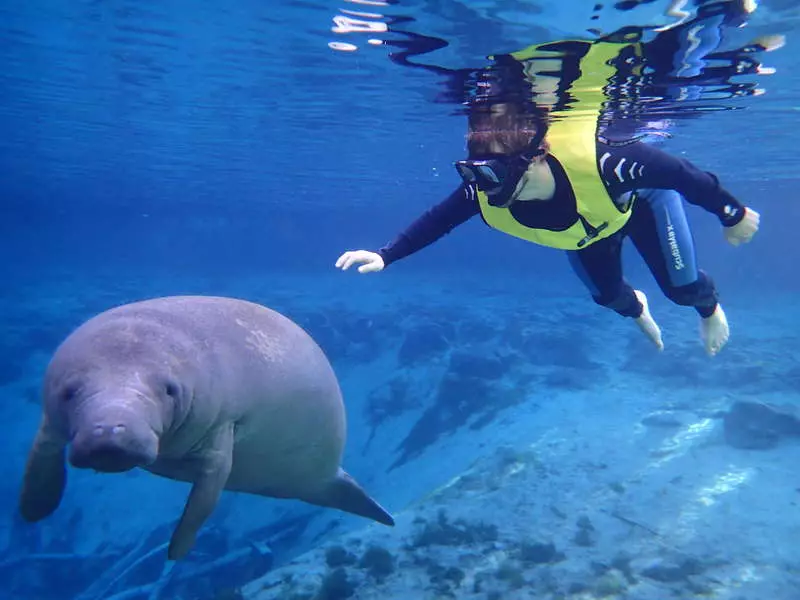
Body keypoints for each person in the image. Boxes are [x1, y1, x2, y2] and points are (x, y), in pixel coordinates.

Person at [335, 37, 760, 356]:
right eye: (478, 170)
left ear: (538, 154)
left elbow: (682, 175)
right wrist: (386, 255)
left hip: (639, 202)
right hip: (589, 228)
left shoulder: (608, 161)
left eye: (497, 170)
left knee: (682, 290)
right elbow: (436, 221)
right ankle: (637, 309)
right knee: (610, 298)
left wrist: (732, 213)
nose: (486, 184)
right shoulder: (480, 188)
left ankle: (707, 311)